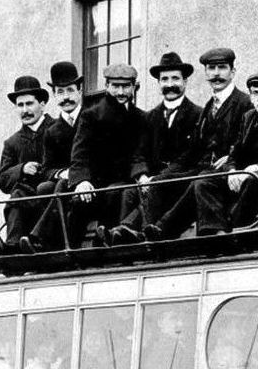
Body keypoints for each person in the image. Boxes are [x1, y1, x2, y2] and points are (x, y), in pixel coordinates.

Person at [142, 48, 253, 240]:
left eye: (222, 68)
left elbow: (251, 141)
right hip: (203, 168)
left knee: (199, 182)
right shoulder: (209, 107)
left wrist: (232, 157)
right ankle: (150, 235)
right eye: (211, 69)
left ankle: (166, 231)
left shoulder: (245, 103)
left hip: (227, 171)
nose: (216, 74)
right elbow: (193, 150)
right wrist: (162, 176)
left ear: (233, 72)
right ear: (206, 74)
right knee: (160, 184)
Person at [99, 52, 203, 245]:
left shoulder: (198, 114)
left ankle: (135, 235)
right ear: (158, 83)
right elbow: (138, 153)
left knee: (155, 190)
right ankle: (122, 238)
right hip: (153, 180)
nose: (170, 84)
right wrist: (142, 175)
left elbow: (190, 156)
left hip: (182, 178)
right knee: (130, 191)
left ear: (185, 81)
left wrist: (157, 178)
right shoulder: (149, 117)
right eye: (164, 79)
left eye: (175, 78)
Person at [187, 72, 258, 235]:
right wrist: (231, 171)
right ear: (251, 97)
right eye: (255, 93)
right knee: (204, 182)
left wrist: (257, 167)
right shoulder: (249, 117)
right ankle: (215, 231)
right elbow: (235, 153)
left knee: (253, 182)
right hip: (244, 173)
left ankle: (236, 229)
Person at [66, 64, 148, 246]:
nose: (120, 92)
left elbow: (140, 153)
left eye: (126, 86)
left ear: (134, 87)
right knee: (78, 203)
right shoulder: (91, 116)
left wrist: (141, 174)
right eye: (115, 86)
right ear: (107, 86)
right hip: (95, 183)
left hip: (124, 181)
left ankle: (103, 242)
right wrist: (81, 181)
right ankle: (70, 252)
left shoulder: (141, 118)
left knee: (115, 193)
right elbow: (80, 153)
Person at [26, 61, 85, 252]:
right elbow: (47, 168)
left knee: (59, 187)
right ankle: (54, 244)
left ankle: (39, 238)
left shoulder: (93, 118)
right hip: (66, 182)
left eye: (70, 90)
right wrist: (62, 173)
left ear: (80, 90)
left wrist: (77, 176)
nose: (65, 97)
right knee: (45, 187)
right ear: (53, 95)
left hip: (90, 181)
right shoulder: (52, 131)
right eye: (60, 92)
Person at [0, 75, 54, 255]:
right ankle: (13, 245)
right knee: (18, 194)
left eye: (29, 104)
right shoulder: (12, 142)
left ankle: (35, 241)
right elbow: (3, 180)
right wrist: (21, 168)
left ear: (42, 104)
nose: (25, 110)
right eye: (20, 105)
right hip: (28, 203)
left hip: (51, 198)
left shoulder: (57, 128)